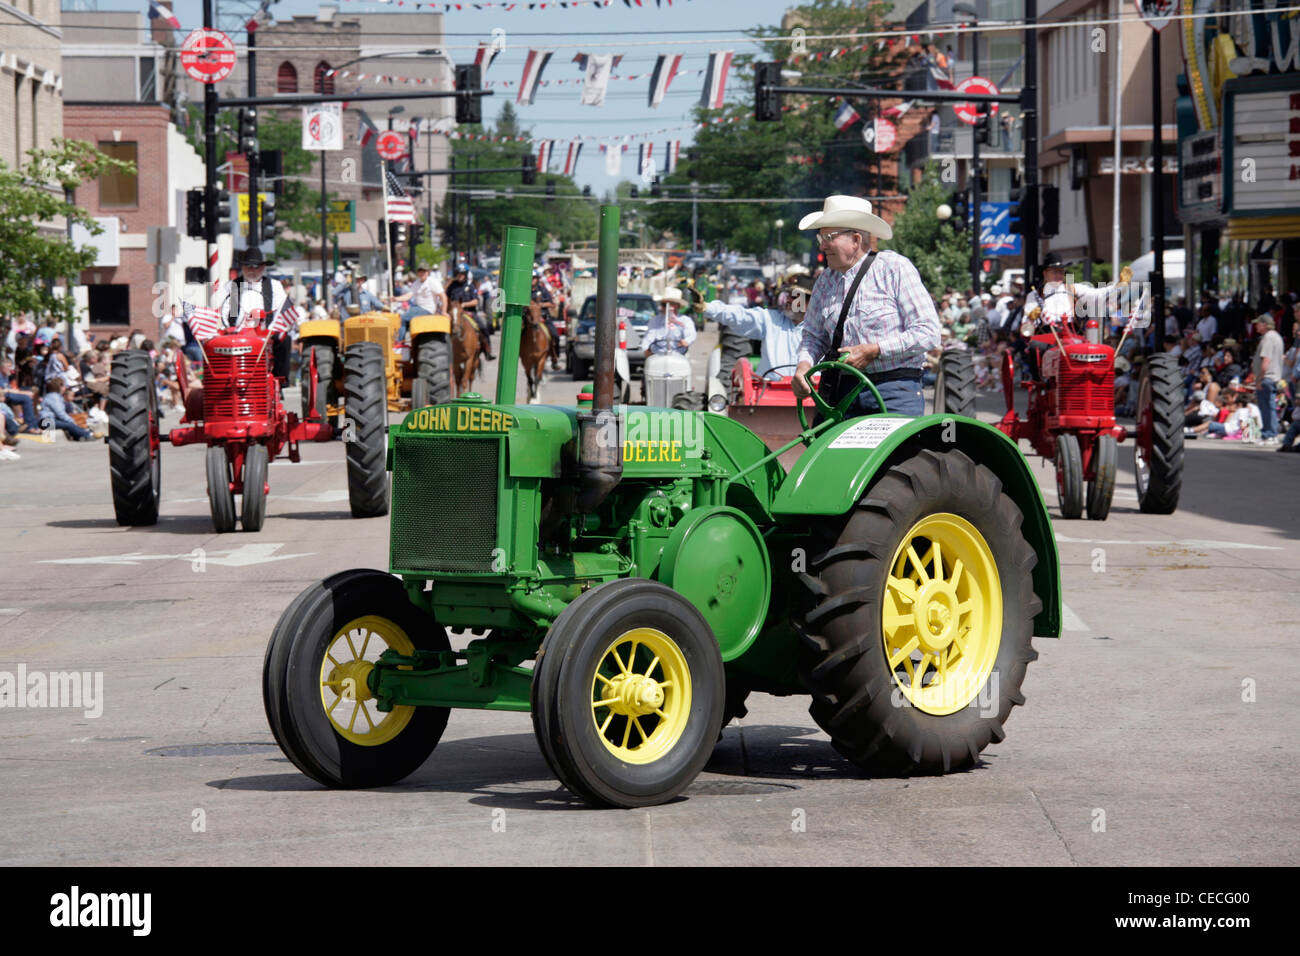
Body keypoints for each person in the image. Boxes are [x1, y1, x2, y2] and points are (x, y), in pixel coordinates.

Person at [793, 195, 940, 417]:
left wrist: (875, 350)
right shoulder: (825, 280)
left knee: (899, 453)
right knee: (828, 451)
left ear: (855, 239)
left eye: (828, 237)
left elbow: (928, 333)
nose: (822, 246)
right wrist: (803, 366)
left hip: (894, 390)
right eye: (820, 238)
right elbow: (813, 336)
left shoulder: (894, 268)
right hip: (841, 391)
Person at [704, 273, 815, 379]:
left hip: (810, 394)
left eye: (796, 297)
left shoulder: (819, 330)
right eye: (789, 295)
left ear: (811, 302)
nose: (789, 300)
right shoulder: (770, 319)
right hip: (768, 391)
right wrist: (707, 307)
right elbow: (740, 315)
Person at [212, 247, 293, 379]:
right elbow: (222, 311)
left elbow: (282, 310)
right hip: (236, 333)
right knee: (214, 343)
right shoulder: (231, 286)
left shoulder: (274, 285)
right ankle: (222, 380)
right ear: (242, 267)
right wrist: (230, 328)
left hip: (266, 333)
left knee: (284, 340)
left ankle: (279, 380)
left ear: (263, 267)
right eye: (248, 266)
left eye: (256, 266)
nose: (252, 270)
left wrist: (271, 329)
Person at [389, 264, 446, 341]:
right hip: (417, 308)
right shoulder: (416, 283)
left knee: (402, 318)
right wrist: (396, 299)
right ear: (418, 273)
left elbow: (443, 296)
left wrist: (444, 312)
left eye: (424, 271)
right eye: (420, 271)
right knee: (400, 317)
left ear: (428, 272)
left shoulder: (432, 282)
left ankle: (399, 341)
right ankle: (404, 338)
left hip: (427, 309)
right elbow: (408, 296)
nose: (422, 273)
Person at [447, 268, 493, 360]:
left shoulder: (470, 286)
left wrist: (463, 304)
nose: (460, 276)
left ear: (466, 275)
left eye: (462, 274)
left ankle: (487, 350)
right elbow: (445, 298)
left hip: (469, 312)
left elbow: (476, 301)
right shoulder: (451, 286)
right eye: (458, 274)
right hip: (454, 314)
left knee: (483, 328)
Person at [1252, 313, 1284, 442]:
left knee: (1267, 407)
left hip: (1267, 378)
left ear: (1264, 325)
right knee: (1268, 406)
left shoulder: (1268, 338)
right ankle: (1268, 432)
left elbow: (1266, 360)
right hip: (1271, 377)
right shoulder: (1275, 336)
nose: (1256, 326)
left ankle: (1270, 433)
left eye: (1258, 324)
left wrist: (1259, 378)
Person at [642, 287, 697, 357]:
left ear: (678, 306)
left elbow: (690, 335)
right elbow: (648, 338)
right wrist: (646, 349)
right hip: (658, 355)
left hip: (679, 355)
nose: (667, 308)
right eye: (664, 305)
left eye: (671, 304)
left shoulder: (685, 320)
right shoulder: (655, 321)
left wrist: (686, 341)